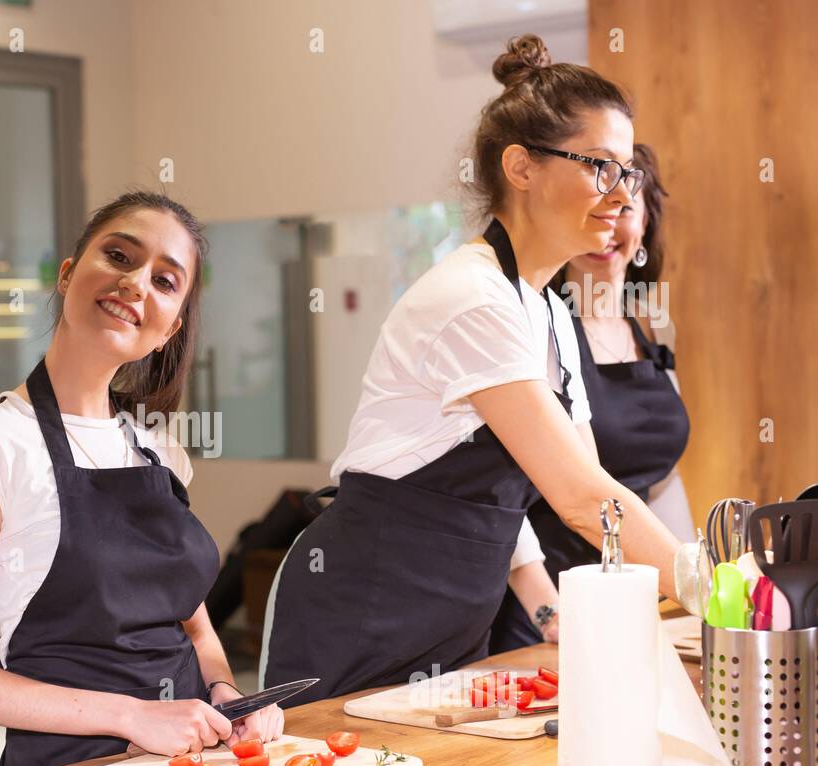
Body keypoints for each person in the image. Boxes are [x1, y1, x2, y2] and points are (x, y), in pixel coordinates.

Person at [260, 35, 685, 704]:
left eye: (628, 171)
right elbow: (579, 499)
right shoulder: (472, 297)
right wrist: (709, 583)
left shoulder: (545, 311)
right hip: (361, 612)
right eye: (601, 166)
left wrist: (550, 607)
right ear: (521, 168)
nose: (622, 195)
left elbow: (571, 486)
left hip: (456, 621)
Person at [0, 191, 283, 766]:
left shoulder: (160, 451)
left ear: (171, 329)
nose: (136, 283)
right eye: (119, 255)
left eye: (166, 281)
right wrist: (132, 717)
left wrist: (224, 693)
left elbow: (193, 623)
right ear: (67, 276)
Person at [491, 143, 693, 651]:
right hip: (541, 606)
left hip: (627, 598)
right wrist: (546, 609)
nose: (608, 225)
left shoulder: (652, 333)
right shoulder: (536, 327)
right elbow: (499, 483)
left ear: (645, 222)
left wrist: (689, 583)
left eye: (625, 208)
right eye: (595, 208)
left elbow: (663, 480)